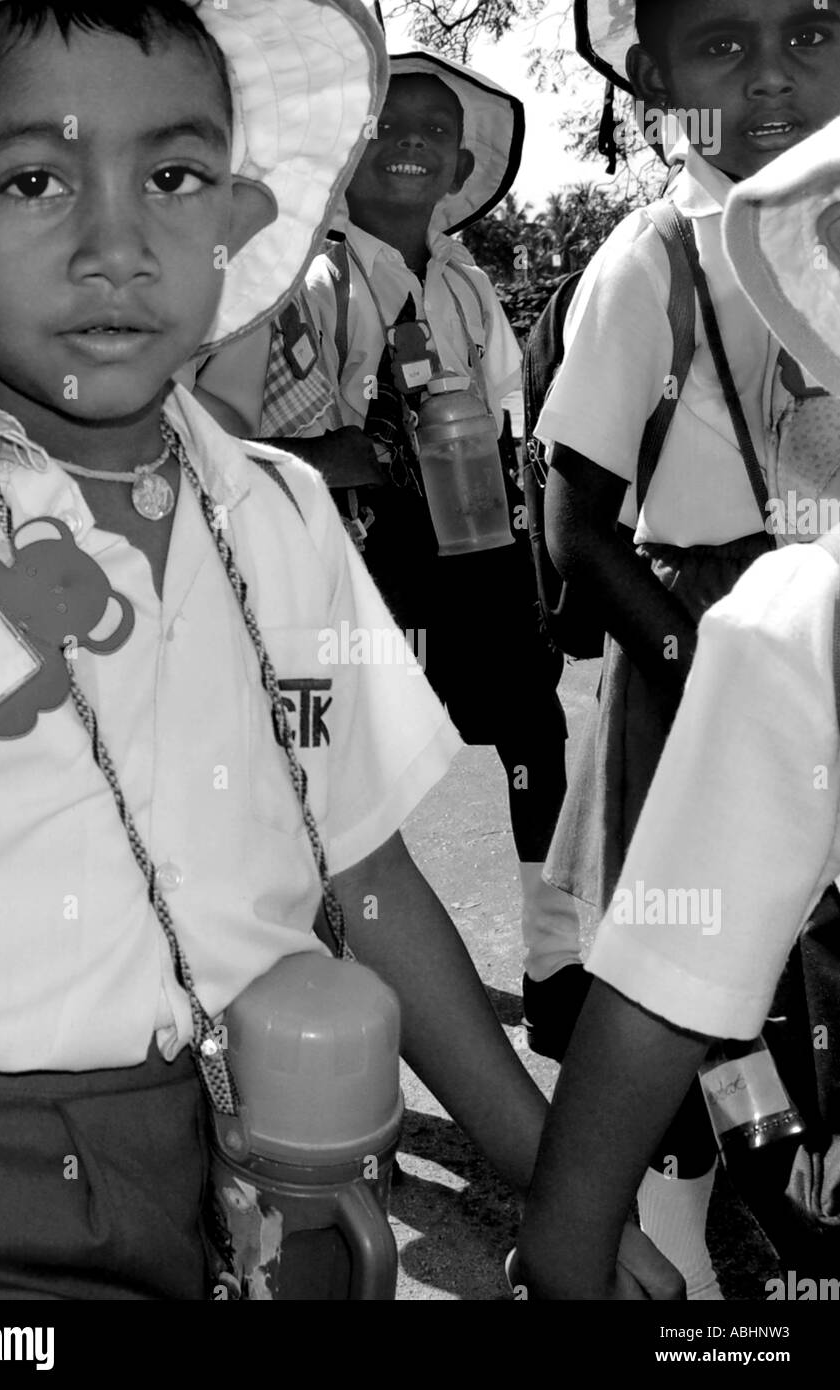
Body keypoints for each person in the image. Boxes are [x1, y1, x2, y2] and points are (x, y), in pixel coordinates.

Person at [0, 0, 675, 1302]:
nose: (113, 243)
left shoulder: (265, 514)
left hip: (179, 1143)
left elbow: (365, 880)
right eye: (35, 177)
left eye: (173, 177)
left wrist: (562, 1190)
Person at [533, 0, 840, 1298]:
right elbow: (572, 525)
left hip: (798, 635)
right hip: (708, 656)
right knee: (692, 1002)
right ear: (655, 77)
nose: (770, 70)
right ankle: (663, 1263)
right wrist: (697, 653)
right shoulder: (652, 255)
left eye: (810, 28)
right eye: (720, 43)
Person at [197, 47, 584, 1062]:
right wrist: (350, 451)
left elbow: (512, 427)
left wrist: (532, 559)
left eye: (434, 134)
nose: (411, 145)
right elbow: (236, 444)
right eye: (389, 126)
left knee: (533, 735)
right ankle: (342, 1002)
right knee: (344, 786)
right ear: (348, 152)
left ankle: (552, 959)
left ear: (460, 169)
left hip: (476, 553)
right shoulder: (308, 281)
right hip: (361, 567)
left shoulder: (463, 286)